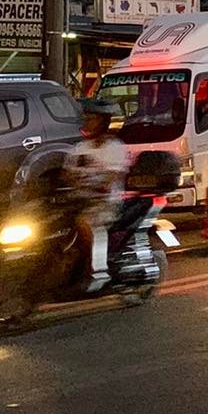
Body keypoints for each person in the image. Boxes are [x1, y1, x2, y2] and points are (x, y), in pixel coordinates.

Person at [63, 99, 131, 291]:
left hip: (105, 203)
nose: (87, 122)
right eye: (87, 118)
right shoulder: (80, 148)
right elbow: (67, 174)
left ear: (104, 122)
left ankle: (98, 273)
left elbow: (112, 177)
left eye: (93, 119)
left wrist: (97, 189)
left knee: (89, 225)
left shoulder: (114, 148)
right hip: (80, 201)